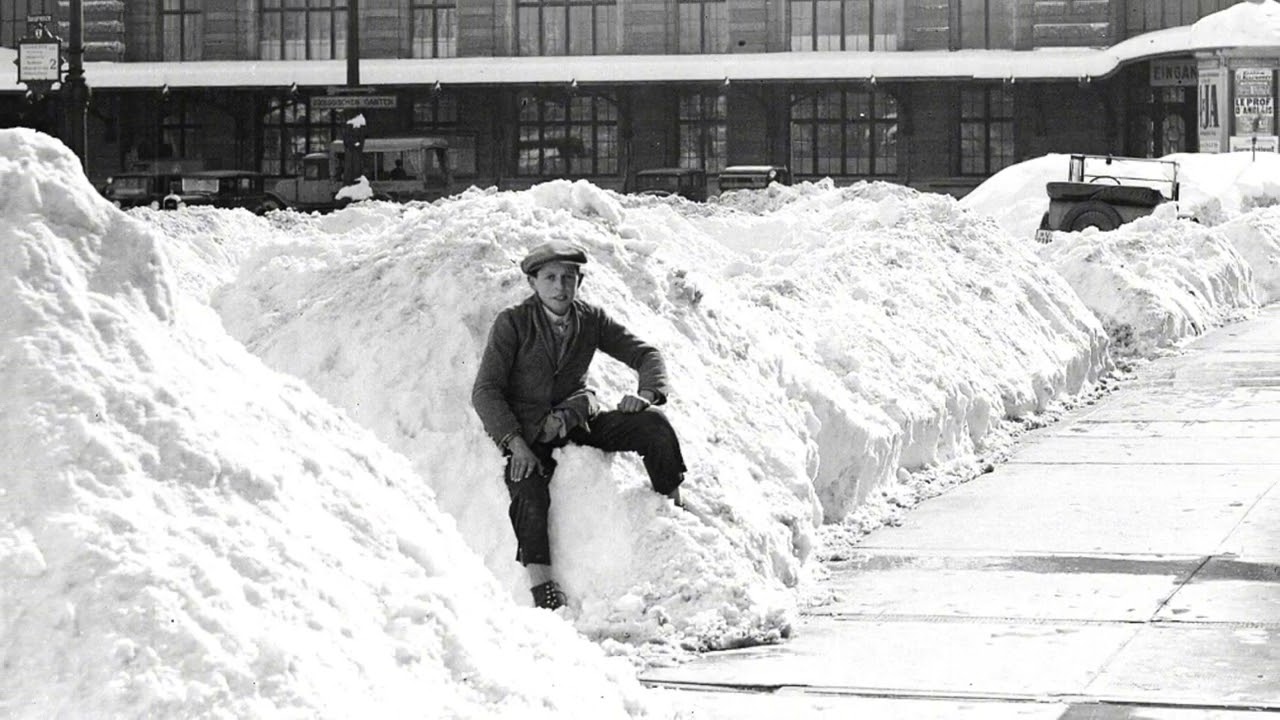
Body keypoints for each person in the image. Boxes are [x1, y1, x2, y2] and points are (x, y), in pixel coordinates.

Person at [472, 241, 686, 610]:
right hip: (529, 432)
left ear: (579, 282)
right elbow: (485, 391)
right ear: (532, 283)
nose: (560, 287)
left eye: (568, 278)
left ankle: (674, 513)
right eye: (550, 278)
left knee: (654, 425)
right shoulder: (513, 323)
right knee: (528, 490)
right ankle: (543, 589)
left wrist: (646, 393)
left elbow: (646, 354)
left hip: (577, 421)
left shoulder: (590, 319)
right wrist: (514, 443)